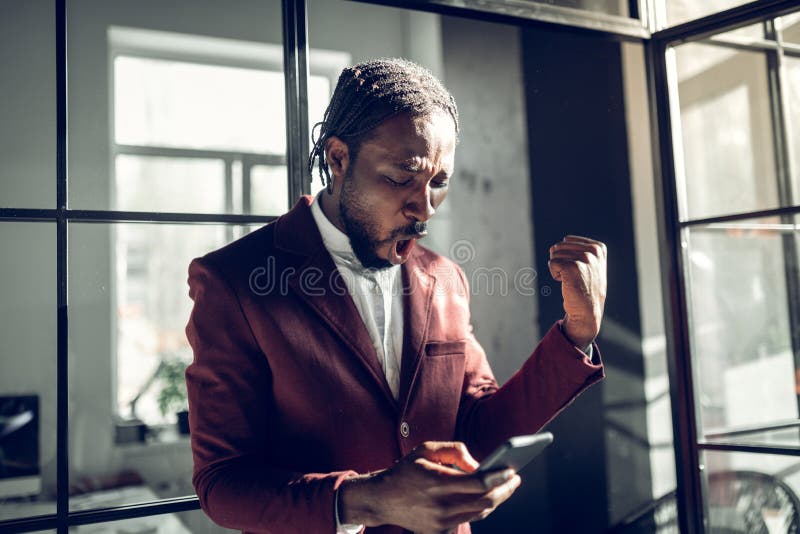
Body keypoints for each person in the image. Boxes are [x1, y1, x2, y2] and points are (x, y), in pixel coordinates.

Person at [184, 58, 606, 534]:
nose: (424, 208)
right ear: (338, 159)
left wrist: (577, 333)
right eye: (402, 177)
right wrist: (368, 501)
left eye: (438, 182)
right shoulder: (233, 280)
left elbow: (478, 431)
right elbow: (223, 484)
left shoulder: (446, 278)